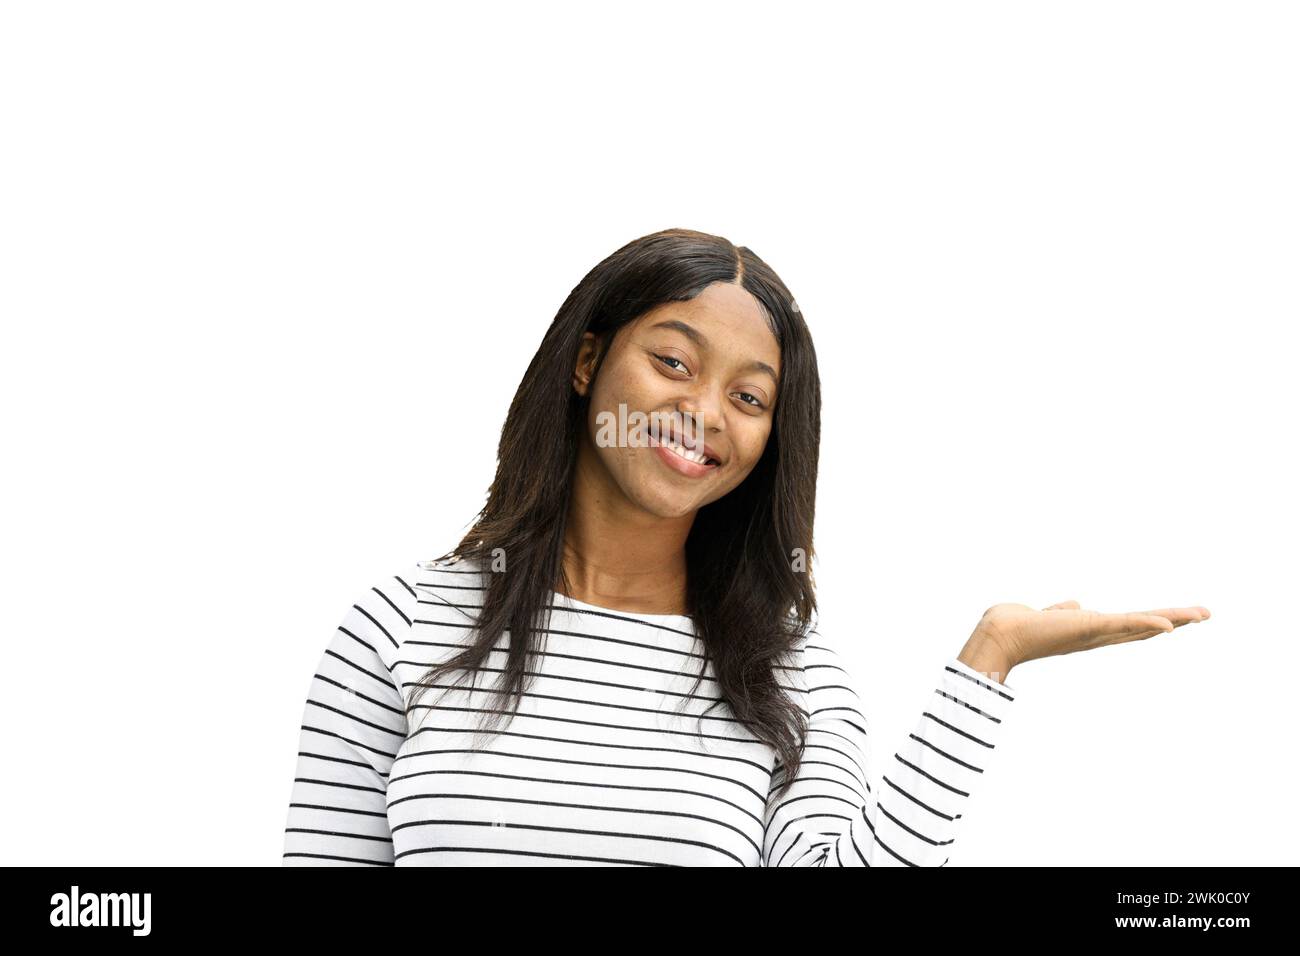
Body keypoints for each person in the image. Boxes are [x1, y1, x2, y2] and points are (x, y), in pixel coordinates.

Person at [281, 227, 1210, 866]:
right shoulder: (399, 625)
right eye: (674, 362)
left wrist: (989, 660)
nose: (700, 413)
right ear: (585, 361)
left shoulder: (790, 674)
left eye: (749, 396)